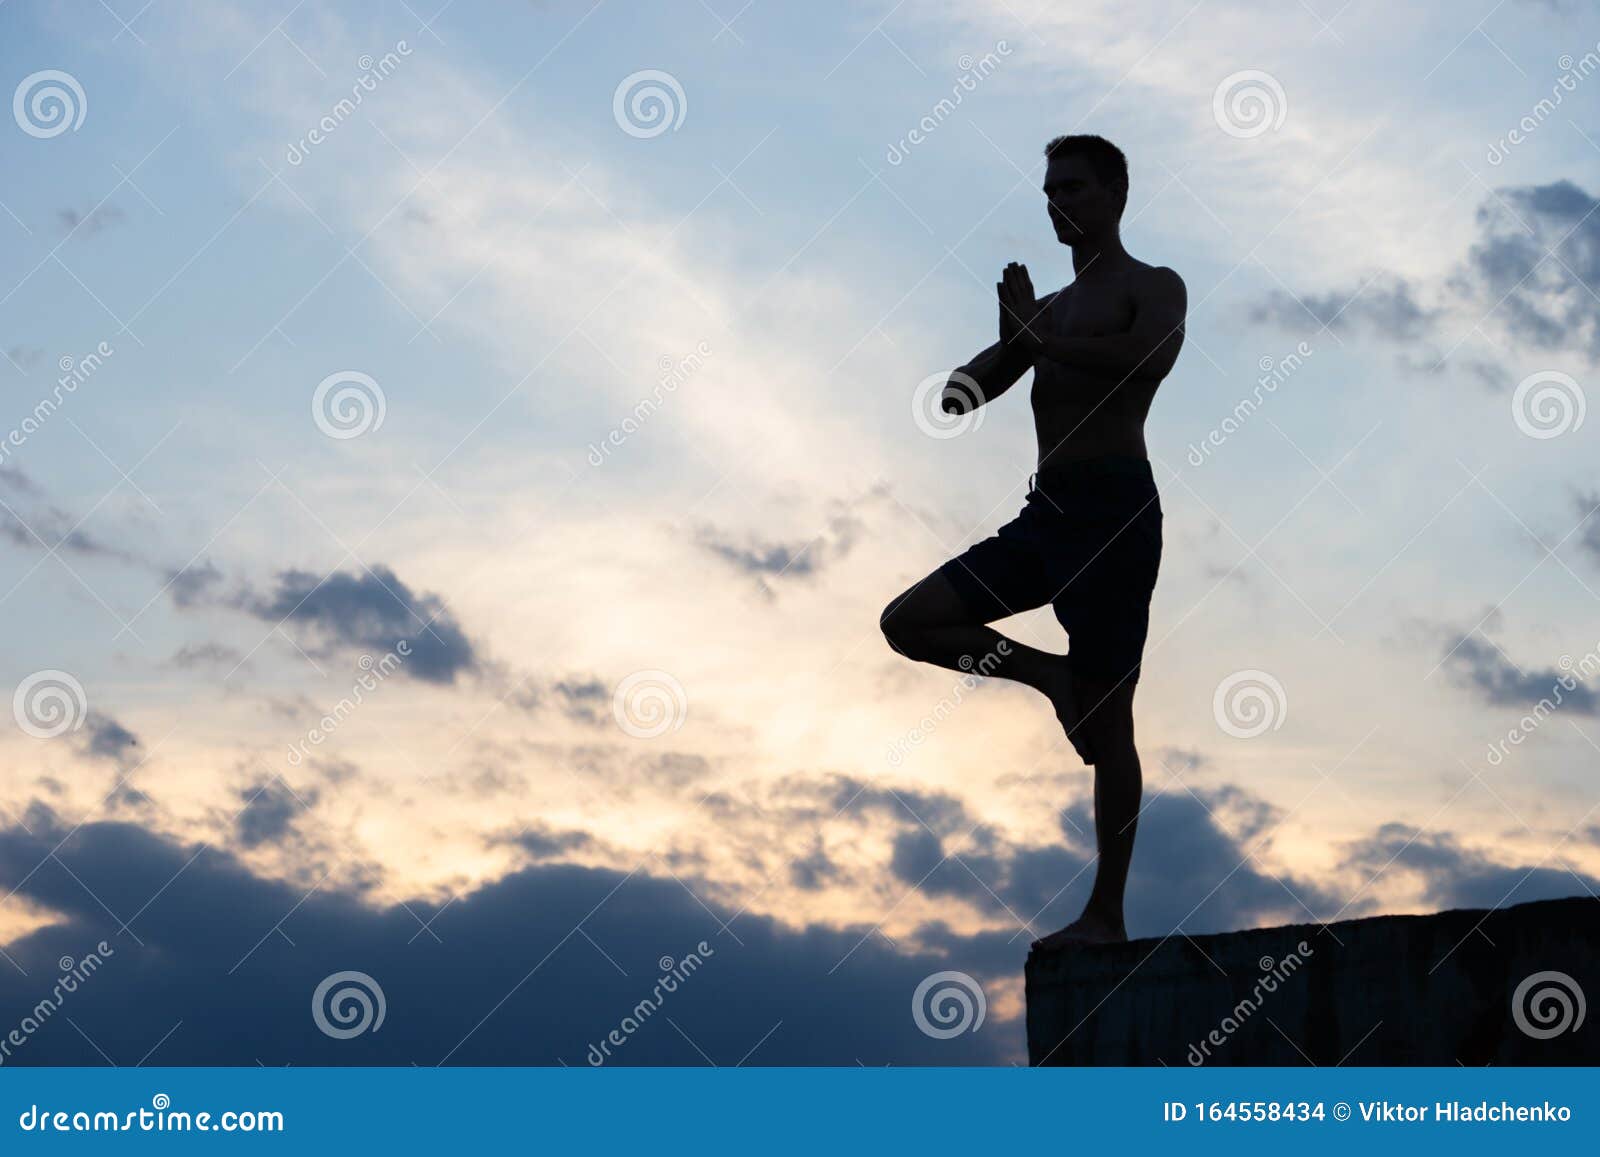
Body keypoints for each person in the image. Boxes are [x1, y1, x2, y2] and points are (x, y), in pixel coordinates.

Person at [878, 134, 1187, 948]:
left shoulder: (1154, 285)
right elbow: (958, 396)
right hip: (1045, 516)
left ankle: (1106, 915)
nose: (1059, 203)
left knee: (1110, 720)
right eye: (1051, 191)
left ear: (1116, 194)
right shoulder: (1044, 313)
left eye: (1075, 188)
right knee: (909, 621)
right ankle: (1052, 676)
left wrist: (1041, 343)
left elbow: (1146, 357)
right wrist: (1011, 341)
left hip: (1116, 515)